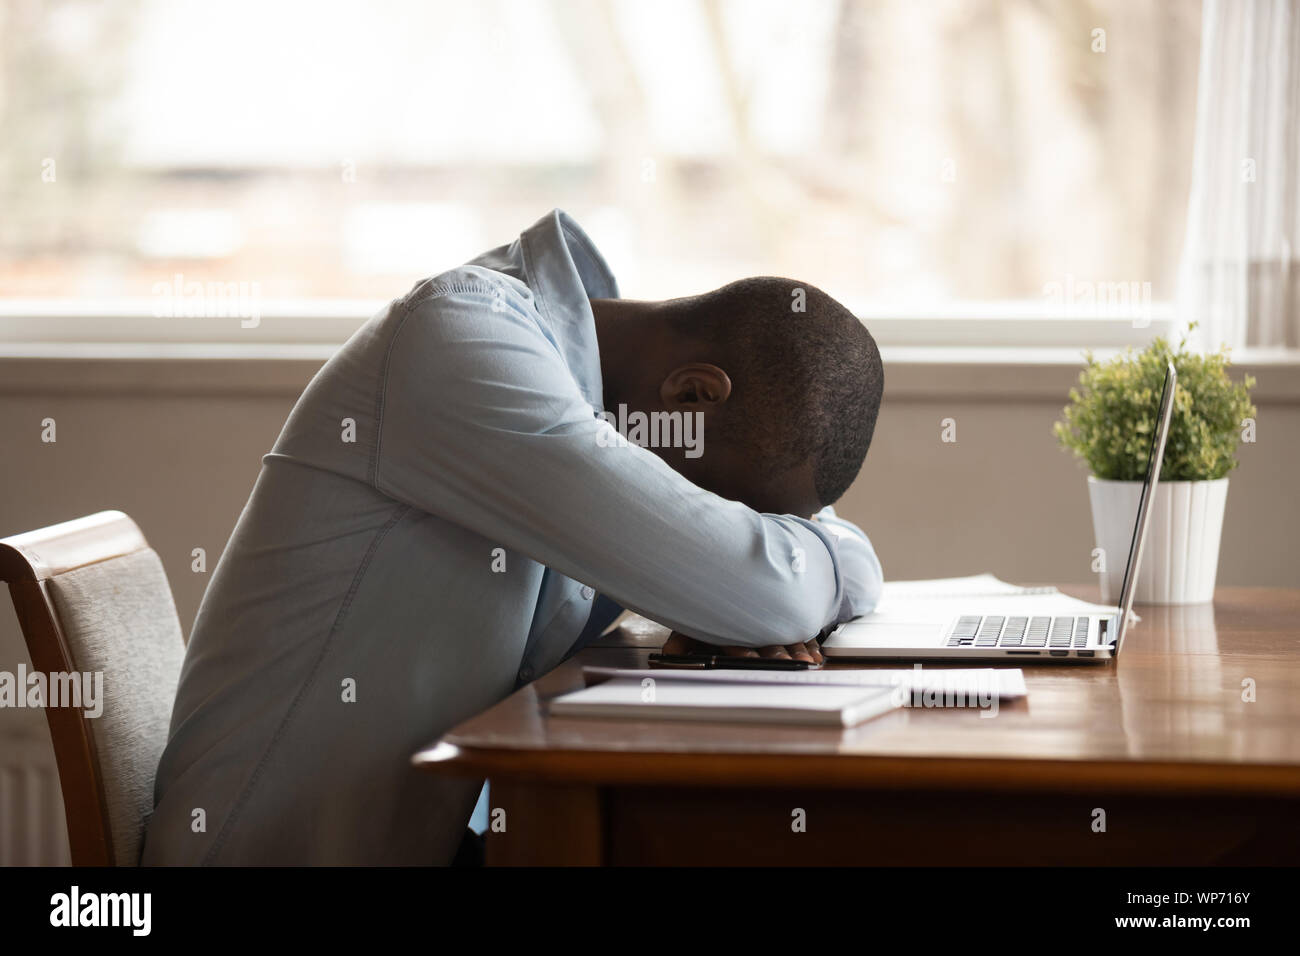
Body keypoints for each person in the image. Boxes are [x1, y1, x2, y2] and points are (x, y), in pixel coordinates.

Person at [141, 209, 884, 865]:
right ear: (692, 395)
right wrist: (763, 581)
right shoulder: (463, 342)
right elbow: (759, 585)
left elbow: (788, 567)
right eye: (726, 506)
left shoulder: (572, 373)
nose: (701, 517)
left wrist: (782, 568)